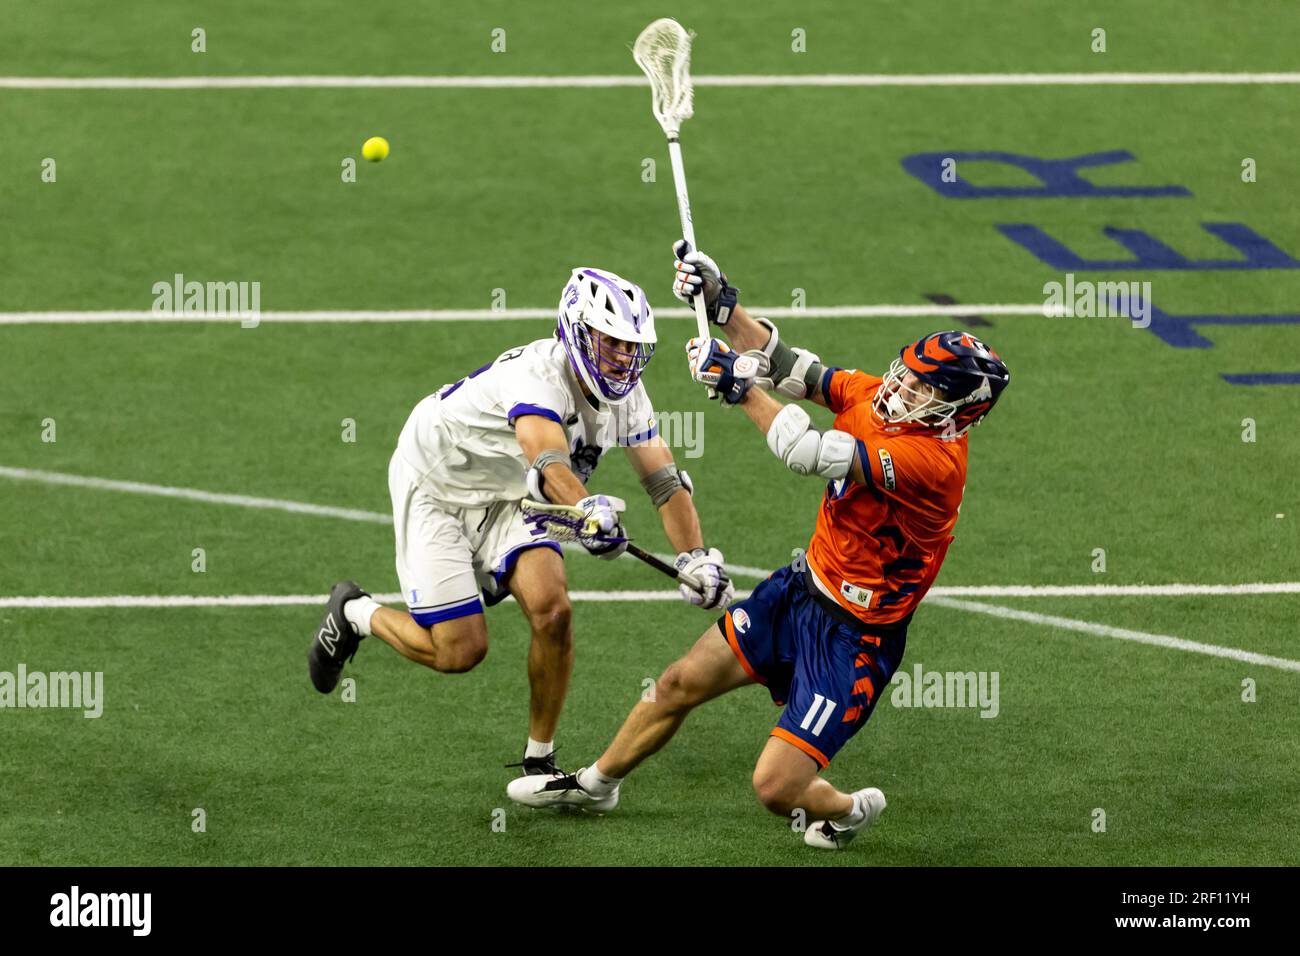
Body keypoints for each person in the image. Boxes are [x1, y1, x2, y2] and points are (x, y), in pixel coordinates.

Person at [508, 244, 1010, 850]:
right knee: (676, 683)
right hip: (800, 589)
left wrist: (739, 389)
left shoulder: (932, 462)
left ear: (958, 412)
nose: (898, 388)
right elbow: (790, 366)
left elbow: (808, 453)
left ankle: (847, 810)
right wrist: (724, 304)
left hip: (856, 637)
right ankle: (596, 783)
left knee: (775, 788)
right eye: (905, 374)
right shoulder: (884, 399)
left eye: (921, 389)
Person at [307, 267, 735, 778]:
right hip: (438, 486)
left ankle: (539, 761)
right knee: (460, 650)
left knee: (554, 613)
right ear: (577, 331)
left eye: (631, 347)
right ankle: (355, 612)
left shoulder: (628, 397)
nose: (624, 359)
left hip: (514, 496)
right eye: (612, 343)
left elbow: (664, 484)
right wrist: (586, 511)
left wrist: (695, 556)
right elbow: (547, 461)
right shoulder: (538, 376)